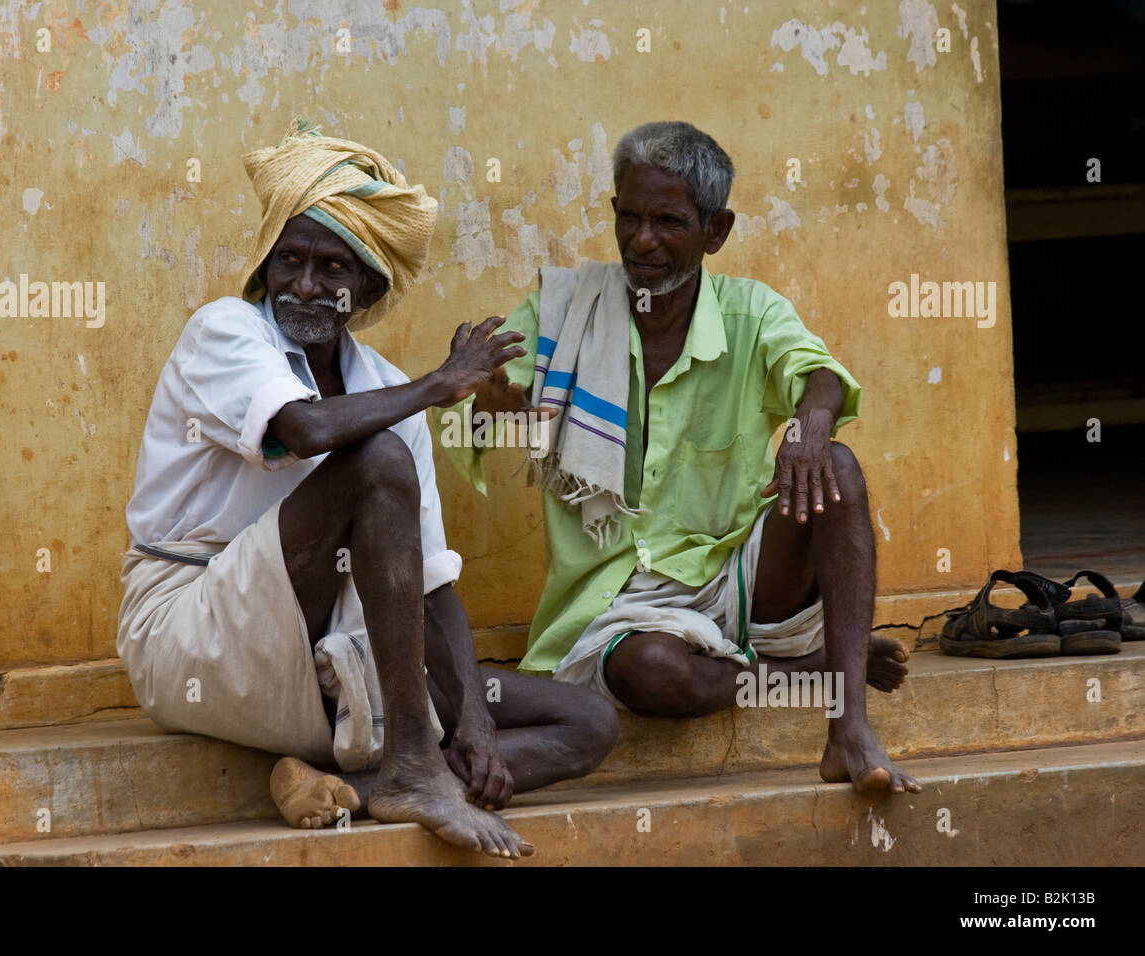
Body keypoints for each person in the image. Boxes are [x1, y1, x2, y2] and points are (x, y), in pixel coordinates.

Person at [117, 120, 619, 860]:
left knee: (588, 724)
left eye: (332, 267)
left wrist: (477, 724)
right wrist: (438, 386)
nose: (306, 284)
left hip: (330, 660)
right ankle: (414, 767)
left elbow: (433, 581)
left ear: (370, 286)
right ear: (265, 265)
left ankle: (351, 779)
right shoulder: (224, 331)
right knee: (377, 458)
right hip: (195, 641)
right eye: (288, 260)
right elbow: (306, 430)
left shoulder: (384, 385)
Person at [446, 120, 919, 793]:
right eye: (630, 217)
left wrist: (810, 427)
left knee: (837, 465)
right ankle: (812, 673)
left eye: (667, 221)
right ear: (613, 213)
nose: (643, 240)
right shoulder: (562, 313)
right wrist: (496, 412)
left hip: (734, 573)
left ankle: (849, 727)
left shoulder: (749, 312)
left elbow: (821, 377)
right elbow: (475, 423)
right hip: (616, 602)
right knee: (654, 675)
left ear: (715, 231)